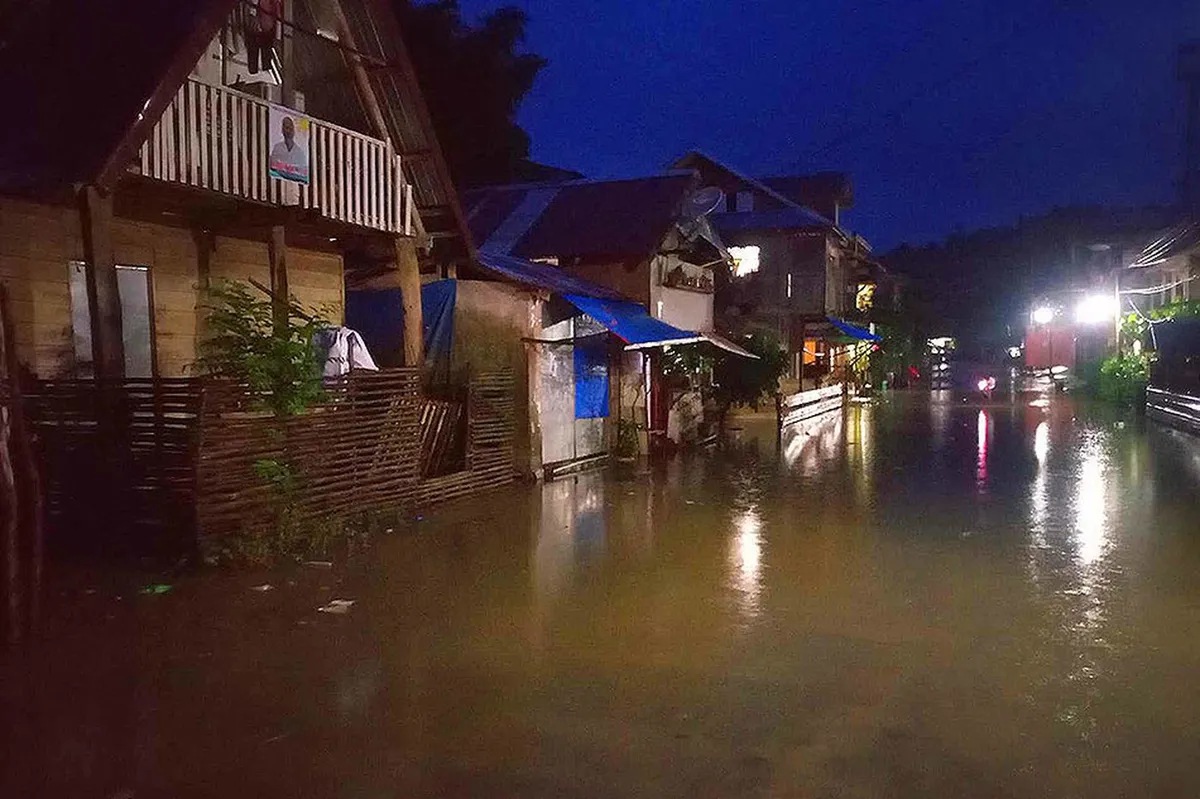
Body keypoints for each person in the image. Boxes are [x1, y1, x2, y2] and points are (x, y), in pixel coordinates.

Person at [269, 115, 307, 181]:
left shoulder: (300, 152)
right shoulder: (277, 148)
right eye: (287, 128)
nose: (289, 131)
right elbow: (273, 167)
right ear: (282, 130)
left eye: (291, 128)